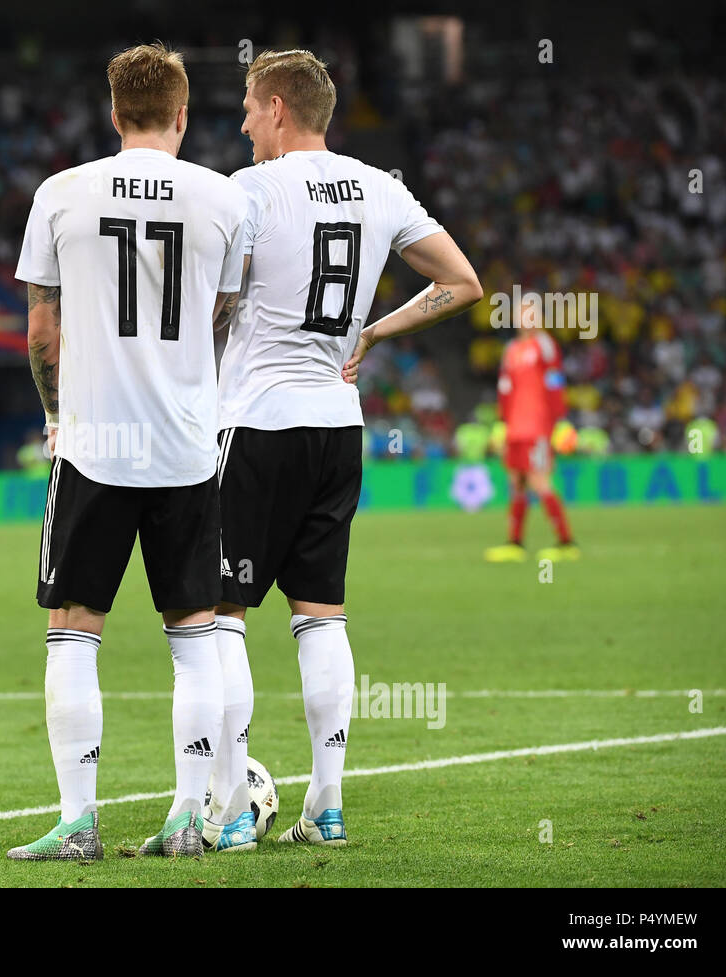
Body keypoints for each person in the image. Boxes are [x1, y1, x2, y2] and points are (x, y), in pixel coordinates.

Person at [213, 50, 483, 850]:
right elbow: (463, 282)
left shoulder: (249, 190)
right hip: (339, 423)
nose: (242, 124)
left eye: (249, 111)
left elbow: (221, 305)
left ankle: (229, 811)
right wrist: (372, 331)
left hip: (258, 419)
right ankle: (325, 805)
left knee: (222, 617)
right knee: (321, 613)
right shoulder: (379, 185)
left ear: (278, 107)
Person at [7, 43, 248, 862]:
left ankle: (78, 823)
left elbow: (44, 331)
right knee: (195, 632)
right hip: (185, 447)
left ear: (113, 114)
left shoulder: (59, 194)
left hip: (94, 443)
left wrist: (54, 414)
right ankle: (188, 816)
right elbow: (220, 312)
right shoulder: (222, 200)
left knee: (74, 628)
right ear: (183, 115)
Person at [484, 295, 578, 563]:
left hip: (538, 428)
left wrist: (559, 421)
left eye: (530, 313)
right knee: (516, 483)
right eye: (521, 313)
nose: (525, 318)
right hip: (514, 429)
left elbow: (555, 382)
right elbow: (505, 391)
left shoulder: (544, 346)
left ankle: (566, 542)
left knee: (539, 481)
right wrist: (502, 424)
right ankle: (515, 543)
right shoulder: (511, 350)